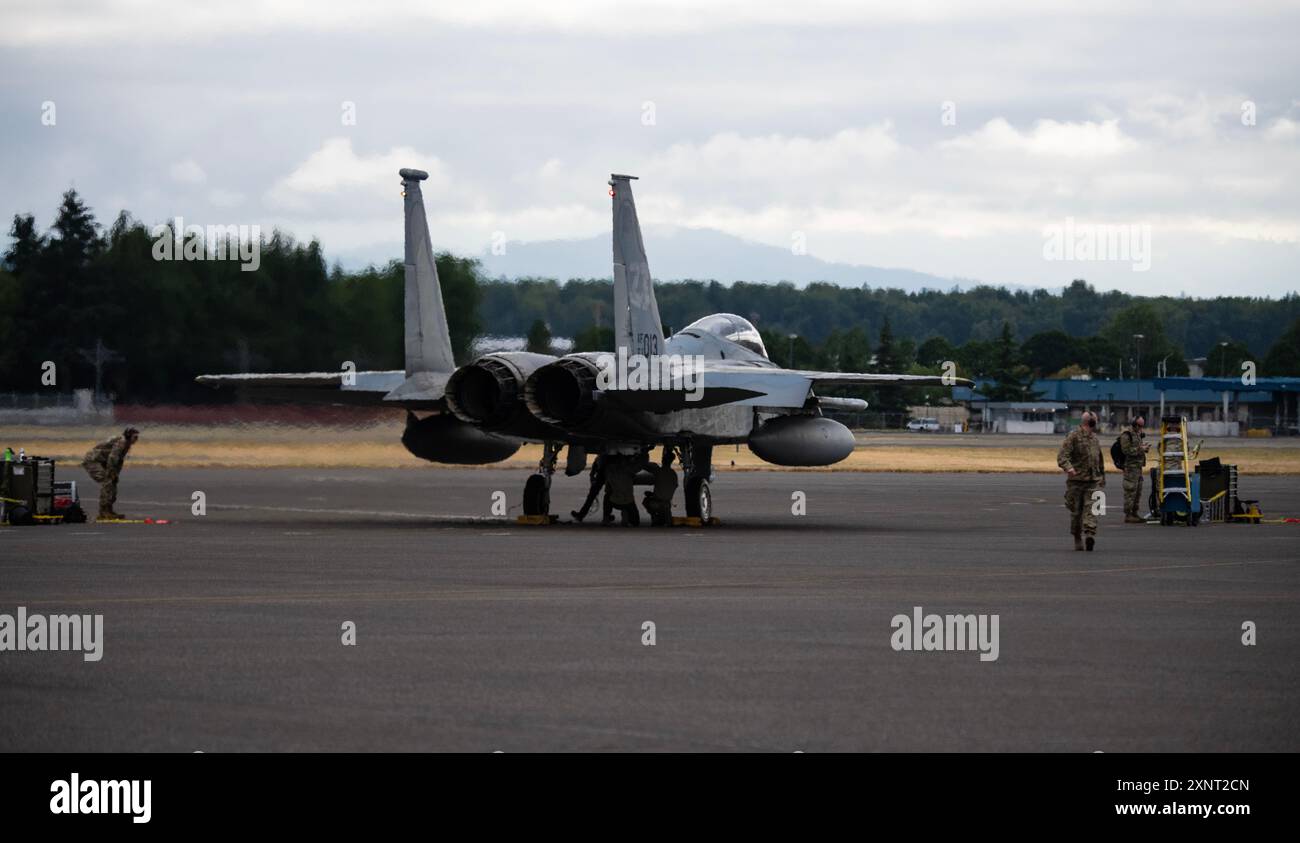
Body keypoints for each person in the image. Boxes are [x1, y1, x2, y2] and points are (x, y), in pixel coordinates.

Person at [1057, 411, 1105, 551]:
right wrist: (1069, 468)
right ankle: (1077, 537)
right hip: (1076, 482)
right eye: (1095, 420)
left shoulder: (1094, 438)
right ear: (1091, 422)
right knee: (1076, 512)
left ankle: (1090, 534)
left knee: (1093, 509)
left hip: (1093, 481)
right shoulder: (1073, 437)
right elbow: (1062, 456)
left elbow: (1099, 460)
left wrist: (1102, 477)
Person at [82, 426, 139, 521]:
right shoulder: (122, 443)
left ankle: (109, 510)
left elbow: (118, 461)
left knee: (112, 483)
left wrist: (115, 475)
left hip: (101, 462)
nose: (136, 440)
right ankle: (103, 512)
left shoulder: (126, 444)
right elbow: (112, 459)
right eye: (135, 437)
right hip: (93, 461)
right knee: (107, 482)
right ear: (129, 436)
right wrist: (111, 473)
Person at [1119, 415, 1149, 523]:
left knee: (1138, 492)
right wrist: (1141, 449)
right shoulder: (1126, 435)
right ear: (1134, 424)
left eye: (1142, 426)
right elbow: (1126, 451)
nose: (1141, 428)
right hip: (1130, 468)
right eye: (1140, 425)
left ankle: (1134, 513)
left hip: (1138, 468)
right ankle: (1128, 514)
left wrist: (1144, 448)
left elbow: (1137, 449)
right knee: (1130, 491)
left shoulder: (1137, 434)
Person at [641, 447, 679, 527]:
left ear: (662, 460)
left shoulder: (658, 471)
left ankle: (655, 517)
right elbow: (673, 486)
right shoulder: (673, 474)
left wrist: (645, 451)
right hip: (667, 503)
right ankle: (664, 518)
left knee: (646, 501)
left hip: (657, 503)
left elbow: (644, 465)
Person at [602, 454, 640, 526]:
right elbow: (640, 465)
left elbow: (607, 489)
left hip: (615, 501)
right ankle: (625, 518)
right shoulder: (630, 472)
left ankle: (606, 518)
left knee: (607, 497)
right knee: (636, 522)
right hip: (629, 502)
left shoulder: (611, 474)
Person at [571, 455, 607, 523]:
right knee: (593, 496)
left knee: (609, 495)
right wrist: (592, 475)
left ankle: (607, 517)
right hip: (605, 471)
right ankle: (607, 517)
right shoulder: (599, 459)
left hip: (608, 471)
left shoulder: (599, 458)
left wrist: (593, 475)